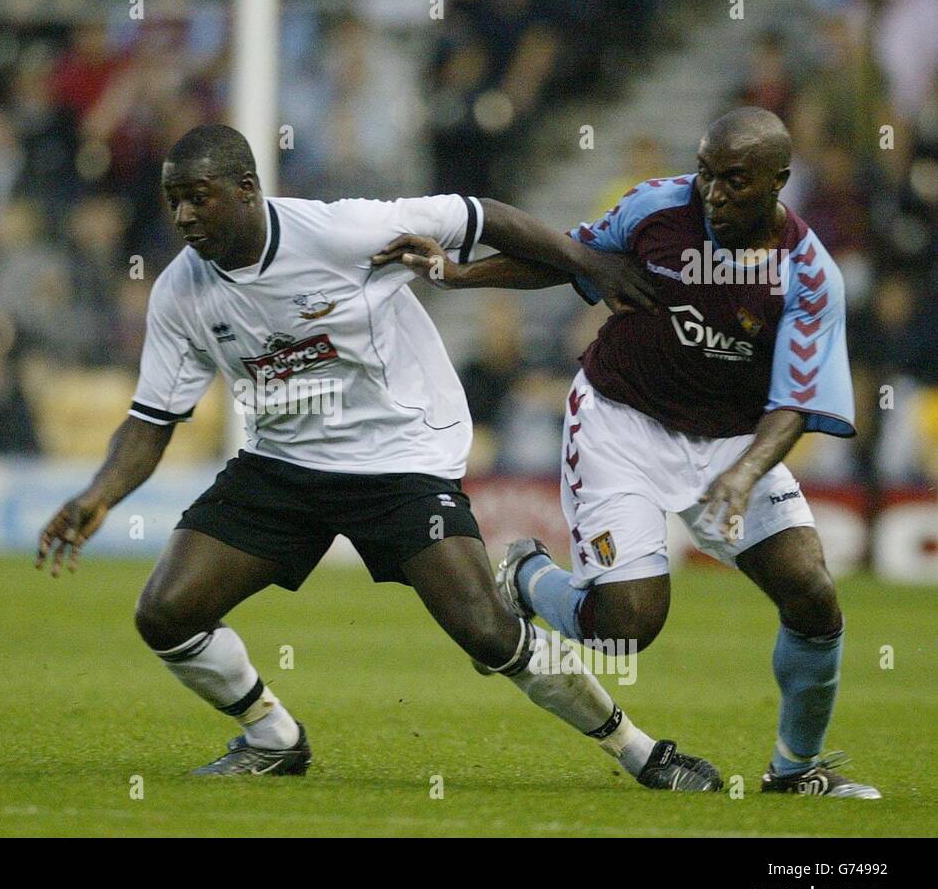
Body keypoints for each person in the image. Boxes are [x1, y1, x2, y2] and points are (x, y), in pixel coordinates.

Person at [36, 123, 718, 790]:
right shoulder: (180, 292)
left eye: (198, 195)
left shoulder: (339, 233)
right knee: (164, 611)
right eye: (173, 199)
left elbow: (482, 216)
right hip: (283, 463)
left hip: (399, 457)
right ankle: (273, 737)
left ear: (246, 189)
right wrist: (98, 496)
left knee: (487, 631)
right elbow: (153, 419)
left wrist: (589, 263)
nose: (183, 215)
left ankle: (640, 751)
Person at [377, 107, 879, 798]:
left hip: (733, 441)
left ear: (777, 182)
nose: (714, 194)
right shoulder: (655, 209)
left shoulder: (808, 273)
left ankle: (796, 770)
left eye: (734, 180)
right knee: (626, 629)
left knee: (812, 591)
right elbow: (564, 255)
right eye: (706, 173)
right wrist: (458, 276)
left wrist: (744, 472)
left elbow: (796, 400)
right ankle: (527, 577)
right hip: (623, 420)